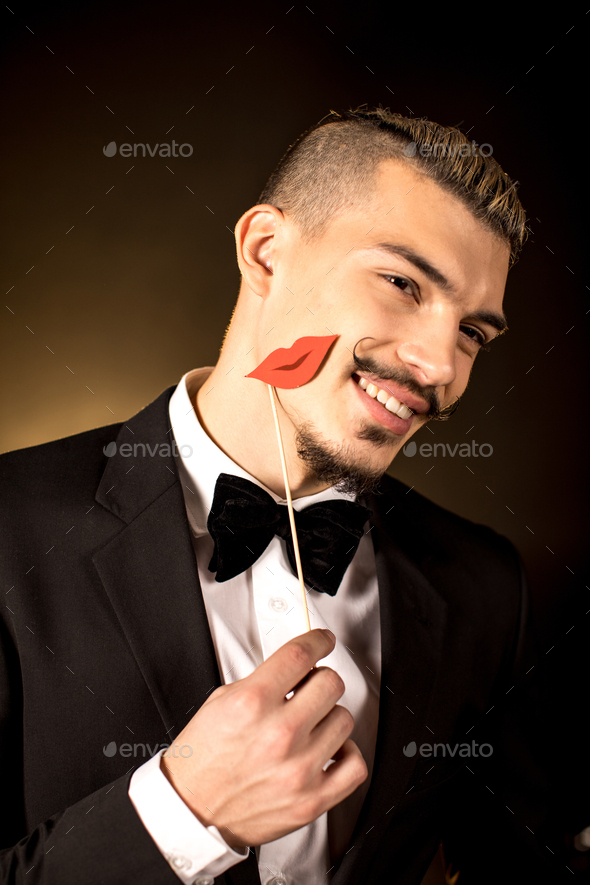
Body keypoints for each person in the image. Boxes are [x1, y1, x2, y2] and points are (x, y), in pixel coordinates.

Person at [0, 107, 576, 884]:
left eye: (473, 332)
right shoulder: (9, 526)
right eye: (402, 282)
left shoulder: (483, 584)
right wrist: (185, 810)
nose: (440, 365)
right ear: (265, 251)